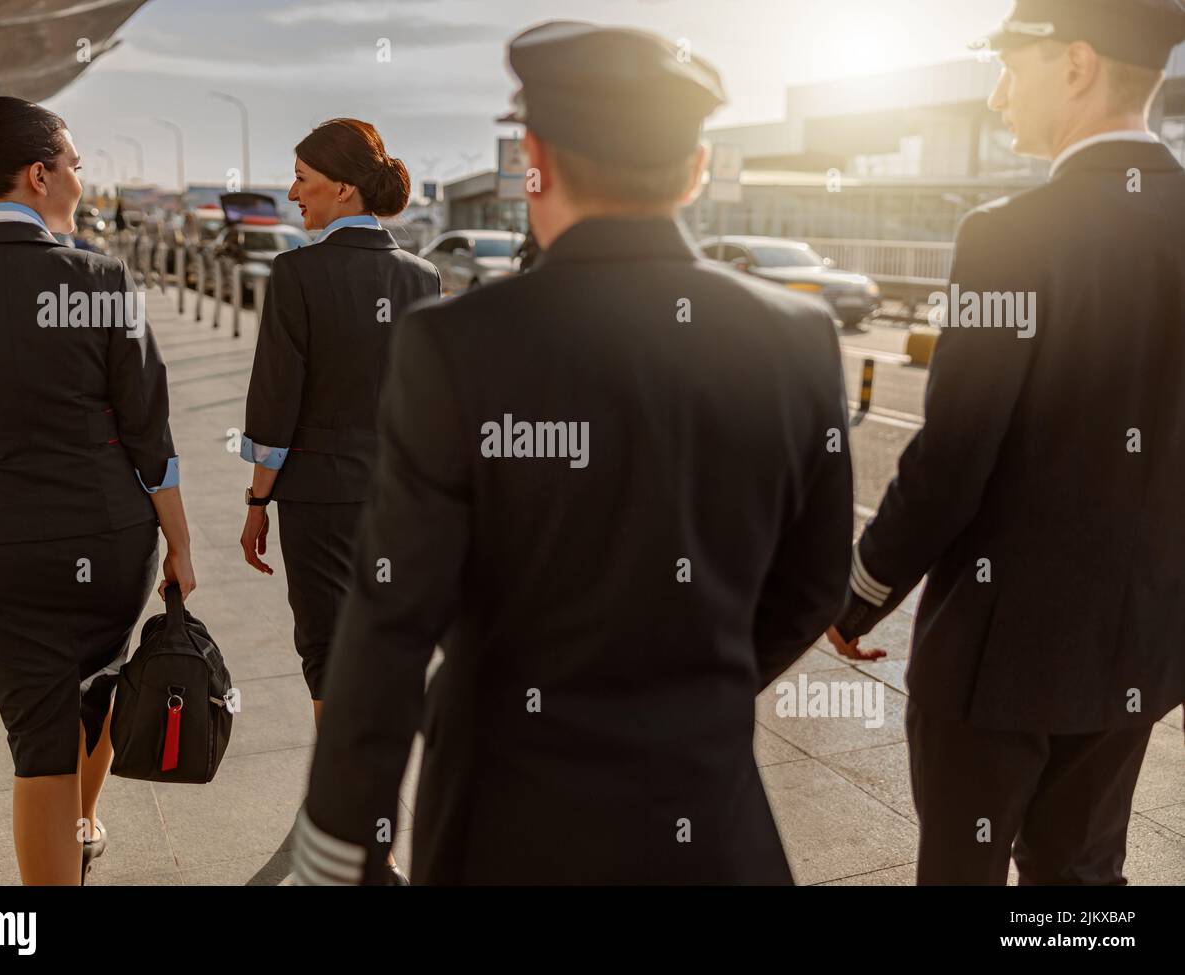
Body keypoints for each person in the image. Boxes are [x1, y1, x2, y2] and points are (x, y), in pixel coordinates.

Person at [292, 22, 853, 885]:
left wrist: (338, 852)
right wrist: (699, 684)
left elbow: (392, 619)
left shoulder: (456, 345)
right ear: (697, 169)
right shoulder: (797, 336)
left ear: (536, 161)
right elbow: (816, 582)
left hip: (502, 822)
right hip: (709, 820)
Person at [827, 0, 1185, 884]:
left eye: (1010, 68)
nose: (995, 97)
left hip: (1000, 657)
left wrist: (858, 591)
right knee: (1083, 881)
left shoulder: (1009, 236)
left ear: (1076, 65)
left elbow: (952, 458)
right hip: (1140, 643)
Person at [0, 96, 195, 885]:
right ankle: (85, 818)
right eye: (77, 168)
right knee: (96, 687)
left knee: (36, 737)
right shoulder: (101, 278)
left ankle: (66, 843)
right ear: (39, 174)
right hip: (108, 537)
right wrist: (181, 544)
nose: (81, 184)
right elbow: (149, 437)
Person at [238, 119, 440, 731]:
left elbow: (277, 405)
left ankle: (336, 801)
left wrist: (256, 503)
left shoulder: (298, 273)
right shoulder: (422, 277)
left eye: (302, 179)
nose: (292, 193)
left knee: (327, 645)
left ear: (344, 189)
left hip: (319, 495)